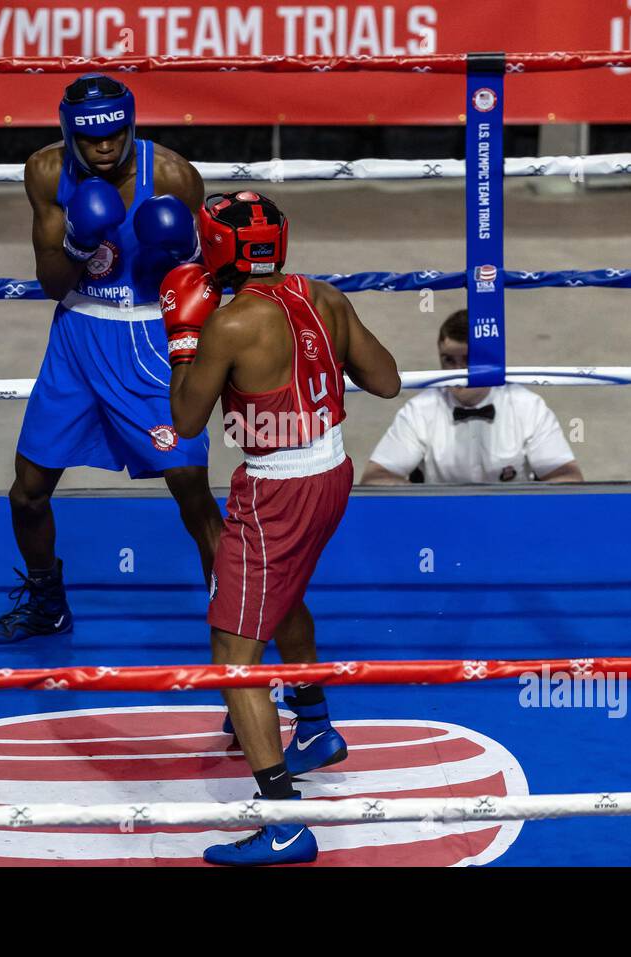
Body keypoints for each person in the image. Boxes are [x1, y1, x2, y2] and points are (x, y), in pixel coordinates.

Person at [161, 190, 401, 865]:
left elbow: (184, 420)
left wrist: (183, 337)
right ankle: (316, 724)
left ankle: (284, 821)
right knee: (282, 591)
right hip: (333, 471)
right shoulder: (324, 297)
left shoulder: (229, 324)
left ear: (215, 248)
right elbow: (386, 380)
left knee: (232, 659)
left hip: (278, 491)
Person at [0, 73, 222, 643]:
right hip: (78, 337)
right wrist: (80, 244)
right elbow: (54, 285)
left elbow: (204, 285)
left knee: (192, 490)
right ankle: (45, 603)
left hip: (149, 342)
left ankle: (236, 632)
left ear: (131, 123)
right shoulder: (46, 172)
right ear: (70, 132)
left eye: (115, 134)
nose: (105, 147)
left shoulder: (174, 177)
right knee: (28, 490)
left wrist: (183, 253)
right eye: (91, 139)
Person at [361, 310, 584, 485]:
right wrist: (428, 505)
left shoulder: (528, 407)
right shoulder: (419, 410)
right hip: (442, 527)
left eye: (467, 360)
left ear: (492, 361)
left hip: (512, 525)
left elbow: (569, 481)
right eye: (449, 360)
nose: (458, 371)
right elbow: (374, 479)